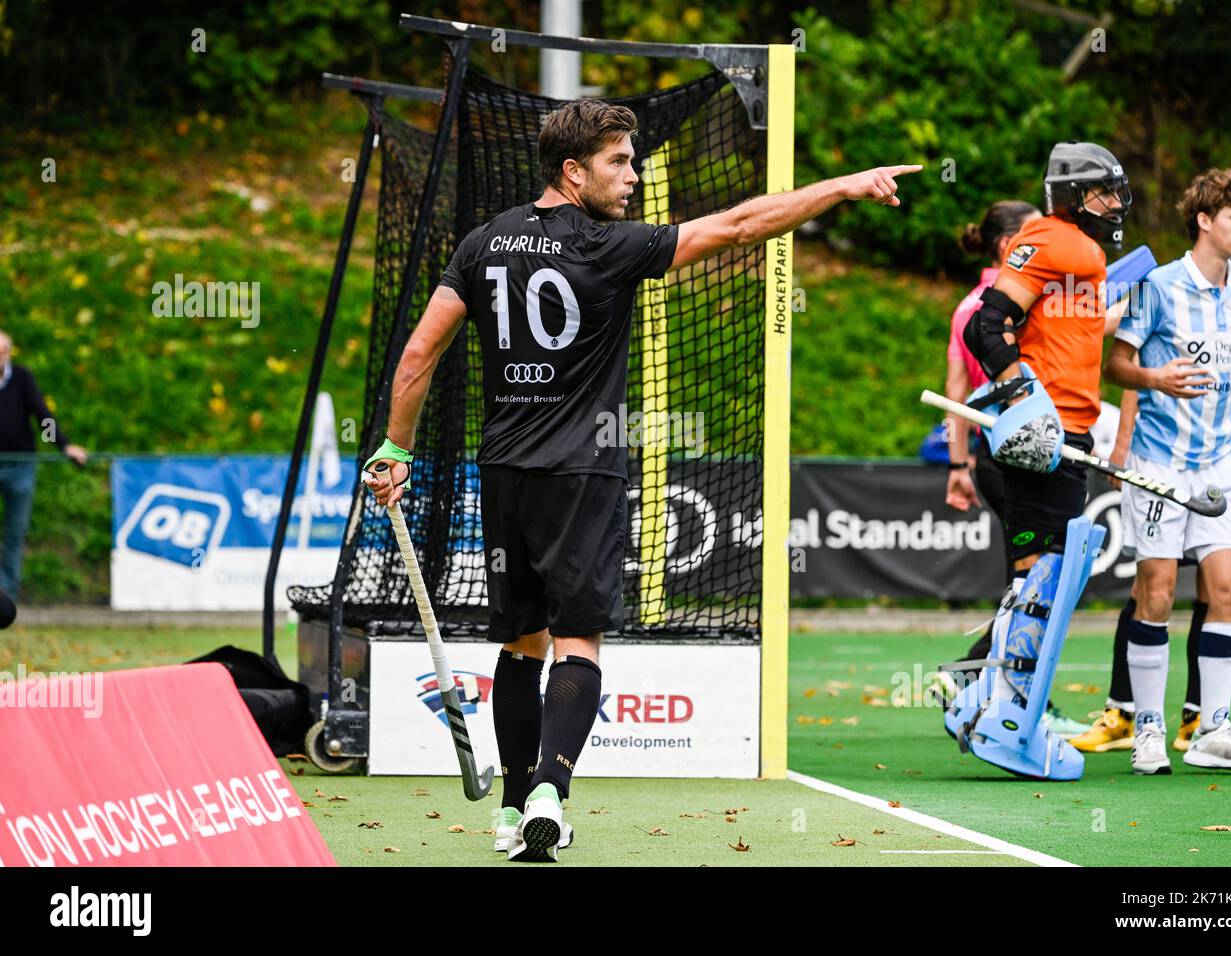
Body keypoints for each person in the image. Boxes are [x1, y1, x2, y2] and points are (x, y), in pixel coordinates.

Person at [361, 98, 921, 860]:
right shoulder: (611, 246)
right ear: (573, 170)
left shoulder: (482, 242)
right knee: (578, 642)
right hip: (582, 471)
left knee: (522, 646)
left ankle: (510, 809)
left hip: (502, 470)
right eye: (619, 162)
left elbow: (420, 354)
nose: (633, 176)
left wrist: (396, 450)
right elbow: (740, 225)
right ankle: (552, 793)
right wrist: (842, 186)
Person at [1074, 174, 1231, 755]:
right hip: (1160, 464)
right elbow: (1114, 366)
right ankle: (1145, 727)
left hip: (1222, 462)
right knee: (1159, 595)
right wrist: (1155, 378)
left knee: (1226, 590)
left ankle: (1212, 727)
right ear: (1204, 220)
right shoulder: (1156, 286)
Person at [943, 141, 1132, 780]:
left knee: (1032, 575)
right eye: (1104, 192)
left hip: (1065, 433)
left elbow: (1065, 331)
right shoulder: (1053, 240)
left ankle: (987, 701)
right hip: (1049, 436)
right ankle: (1012, 719)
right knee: (1048, 577)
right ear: (1077, 194)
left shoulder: (1078, 251)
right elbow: (985, 328)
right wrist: (1028, 399)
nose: (1114, 204)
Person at [940, 200, 1088, 737]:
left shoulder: (969, 304)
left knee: (1025, 579)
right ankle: (1000, 694)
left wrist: (960, 463)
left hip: (992, 455)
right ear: (1008, 246)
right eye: (1030, 237)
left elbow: (957, 393)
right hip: (1019, 454)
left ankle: (983, 682)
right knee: (1033, 582)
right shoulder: (1004, 304)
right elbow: (961, 392)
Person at [0, 331, 87, 596]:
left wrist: (62, 445)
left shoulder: (22, 378)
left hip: (21, 466)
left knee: (15, 533)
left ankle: (7, 596)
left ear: (9, 353)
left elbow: (42, 416)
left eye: (3, 350)